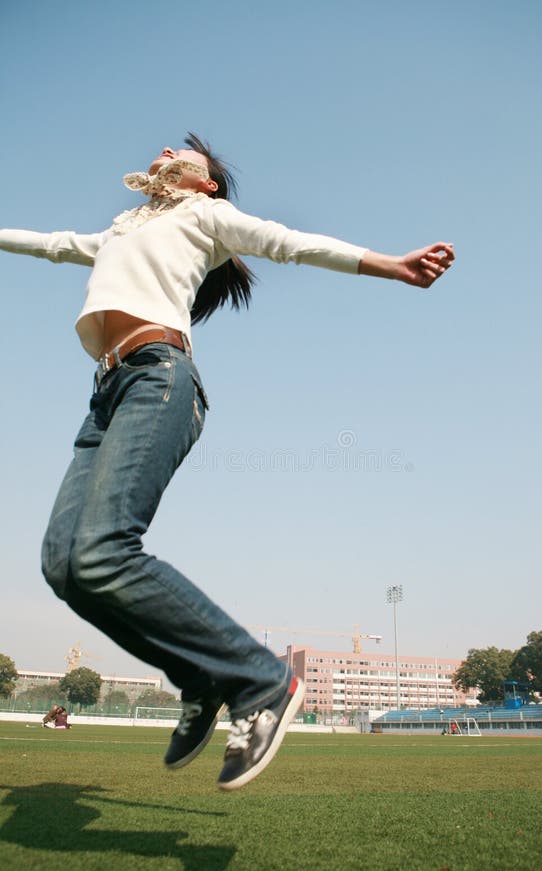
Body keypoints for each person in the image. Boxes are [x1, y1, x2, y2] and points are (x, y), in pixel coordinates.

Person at [0, 134, 454, 789]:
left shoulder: (206, 216)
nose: (164, 149)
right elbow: (52, 244)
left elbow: (289, 242)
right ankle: (198, 678)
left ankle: (262, 679)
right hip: (107, 392)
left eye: (182, 154)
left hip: (158, 379)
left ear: (206, 183)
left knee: (101, 551)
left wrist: (392, 265)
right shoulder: (124, 228)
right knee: (63, 566)